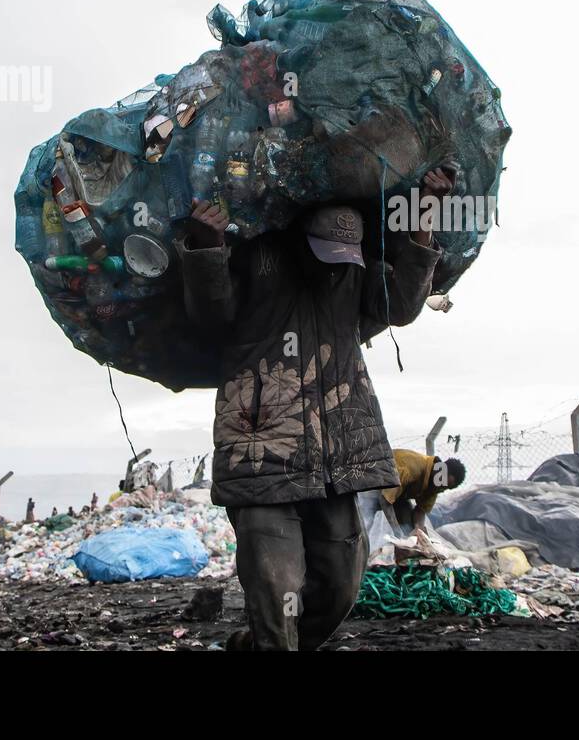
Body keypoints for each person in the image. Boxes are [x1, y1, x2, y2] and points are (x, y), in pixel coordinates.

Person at [177, 166, 453, 651]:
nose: (336, 265)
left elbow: (405, 306)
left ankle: (256, 646)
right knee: (278, 588)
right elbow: (209, 314)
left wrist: (425, 210)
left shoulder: (356, 269)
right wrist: (205, 247)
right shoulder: (259, 258)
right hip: (262, 452)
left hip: (339, 455)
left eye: (345, 256)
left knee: (340, 588)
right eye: (326, 253)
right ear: (300, 238)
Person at [381, 449, 465, 538]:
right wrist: (397, 531)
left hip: (393, 496)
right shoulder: (410, 469)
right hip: (372, 481)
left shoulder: (436, 484)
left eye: (446, 487)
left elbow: (420, 511)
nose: (442, 487)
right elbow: (385, 499)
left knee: (409, 527)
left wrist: (419, 529)